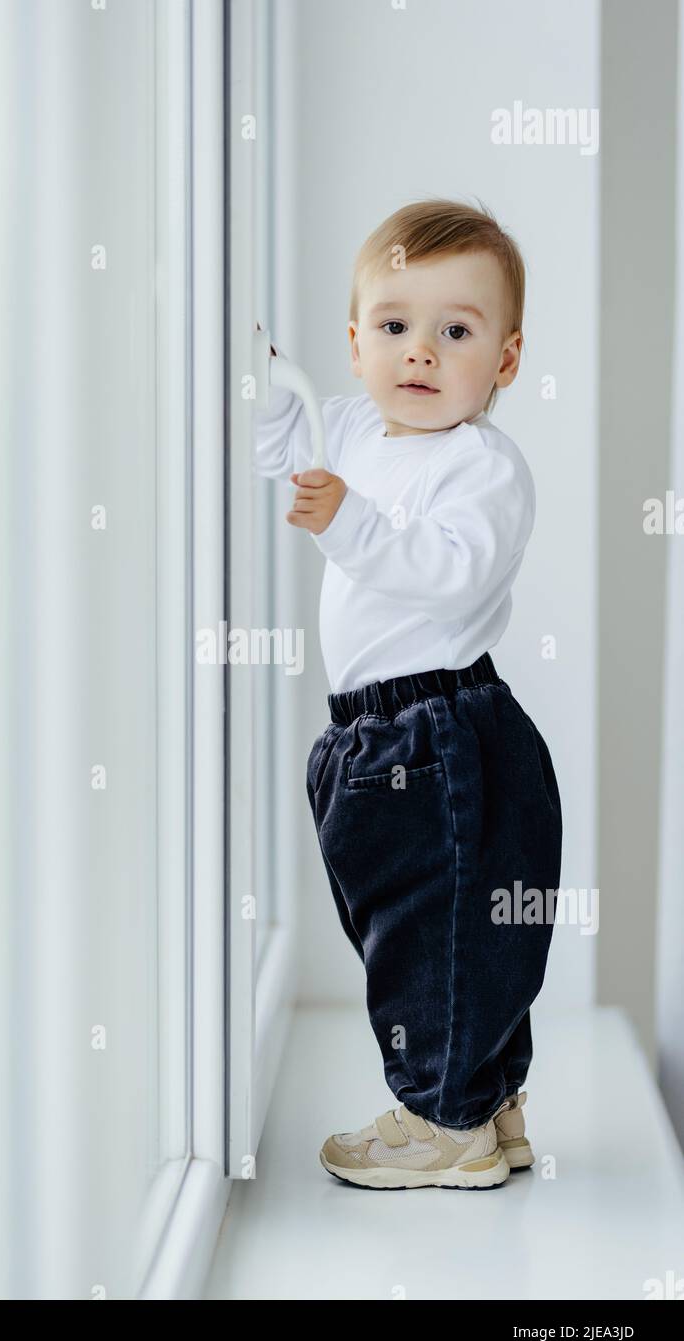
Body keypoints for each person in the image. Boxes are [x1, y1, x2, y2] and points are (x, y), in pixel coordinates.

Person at [254, 198, 562, 1190]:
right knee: (430, 915)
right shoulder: (347, 426)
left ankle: (442, 1117)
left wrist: (348, 523)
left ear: (505, 361)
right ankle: (488, 1102)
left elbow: (451, 572)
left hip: (440, 726)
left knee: (437, 924)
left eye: (455, 330)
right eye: (394, 326)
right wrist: (259, 385)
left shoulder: (482, 465)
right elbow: (279, 451)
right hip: (376, 734)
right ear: (354, 342)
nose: (420, 352)